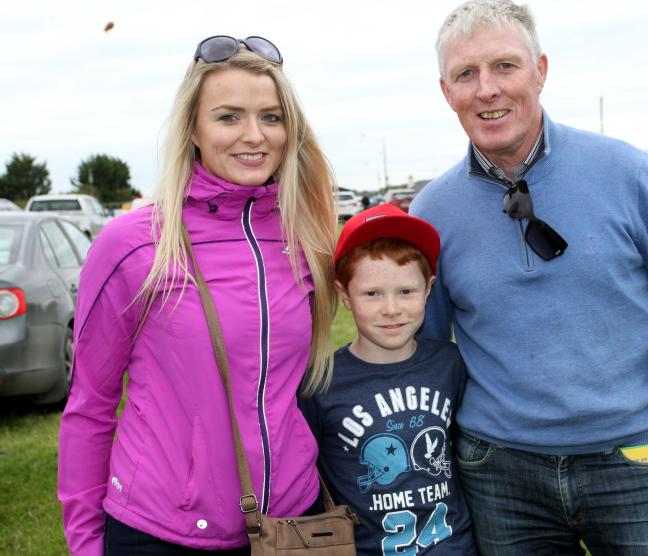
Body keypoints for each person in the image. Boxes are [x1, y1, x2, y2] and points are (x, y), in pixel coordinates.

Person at [410, 1, 648, 554]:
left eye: (505, 66)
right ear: (445, 91)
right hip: (499, 474)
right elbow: (425, 355)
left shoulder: (627, 173)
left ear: (541, 70)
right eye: (466, 74)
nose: (487, 89)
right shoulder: (432, 211)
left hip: (640, 460)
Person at [58, 36, 338, 555]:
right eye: (229, 117)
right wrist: (84, 542)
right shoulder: (133, 244)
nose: (254, 135)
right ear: (193, 128)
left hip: (294, 523)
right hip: (162, 532)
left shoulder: (306, 238)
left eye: (272, 117)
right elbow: (90, 406)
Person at [300, 203, 478, 555]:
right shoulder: (321, 380)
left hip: (453, 546)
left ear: (428, 289)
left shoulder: (450, 364)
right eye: (372, 294)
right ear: (344, 295)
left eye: (406, 292)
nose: (391, 309)